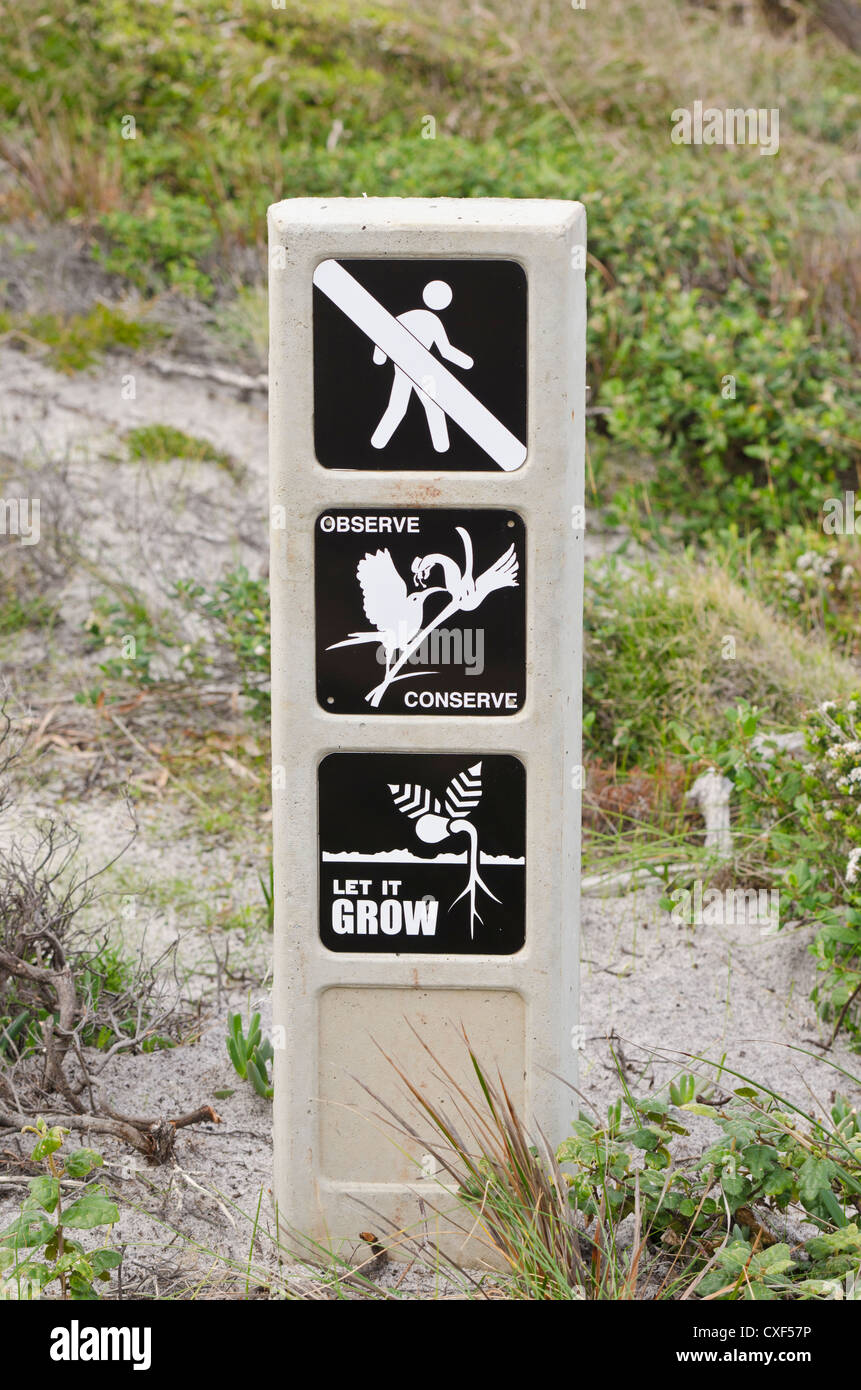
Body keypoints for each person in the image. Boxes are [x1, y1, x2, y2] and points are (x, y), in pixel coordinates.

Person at [370, 280, 473, 452]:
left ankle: (379, 442)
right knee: (431, 406)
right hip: (420, 371)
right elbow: (446, 351)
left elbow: (383, 338)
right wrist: (467, 363)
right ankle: (441, 446)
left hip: (408, 369)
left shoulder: (405, 317)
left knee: (399, 407)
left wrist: (379, 357)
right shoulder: (432, 320)